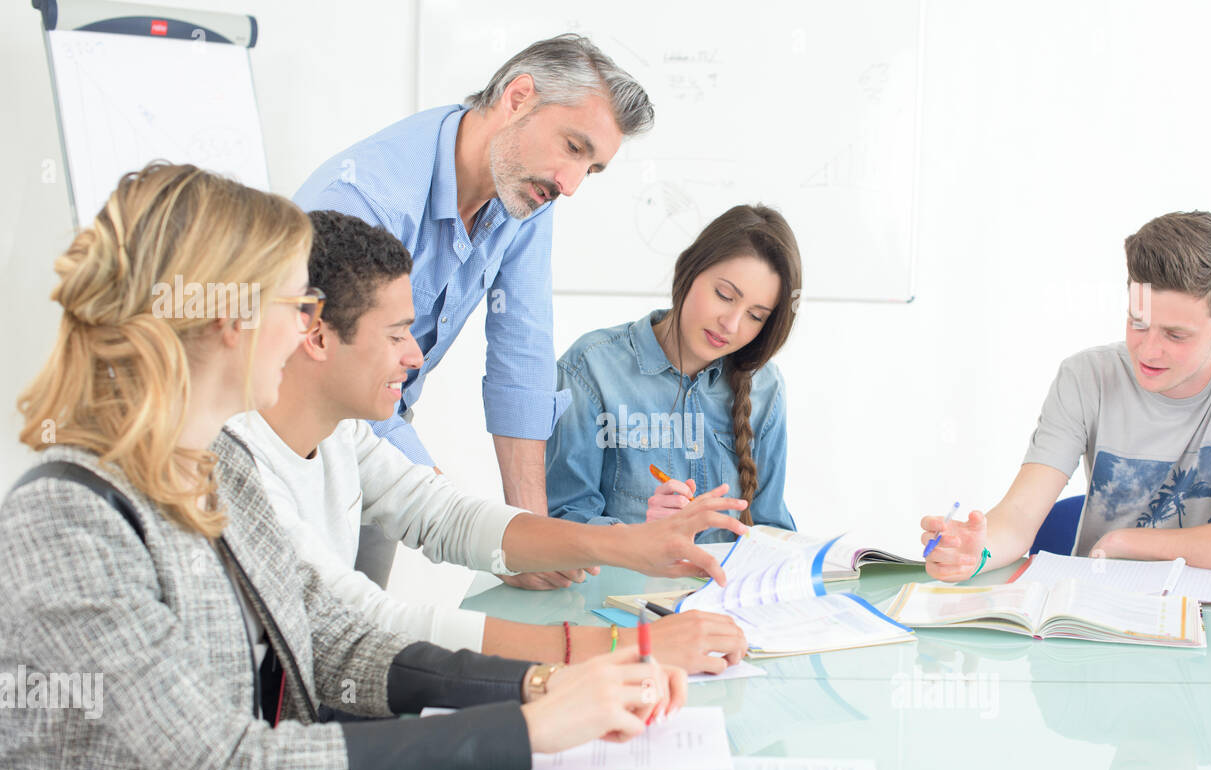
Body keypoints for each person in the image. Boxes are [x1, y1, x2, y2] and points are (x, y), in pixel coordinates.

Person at [0, 163, 698, 770]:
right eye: (295, 306)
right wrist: (530, 727)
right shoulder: (68, 519)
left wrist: (544, 684)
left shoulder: (217, 470)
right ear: (229, 318)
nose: (307, 330)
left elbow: (339, 644)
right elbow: (228, 768)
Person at [229, 210, 748, 675]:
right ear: (317, 336)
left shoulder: (342, 432)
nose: (415, 356)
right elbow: (370, 621)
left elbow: (444, 515)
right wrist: (631, 644)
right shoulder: (236, 465)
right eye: (395, 336)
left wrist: (623, 545)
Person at [295, 34, 653, 591]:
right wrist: (485, 536)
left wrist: (531, 535)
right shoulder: (368, 200)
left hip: (386, 411)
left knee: (362, 631)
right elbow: (337, 376)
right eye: (573, 147)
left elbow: (522, 356)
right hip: (305, 430)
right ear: (518, 98)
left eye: (593, 167)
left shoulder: (527, 192)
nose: (572, 184)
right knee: (312, 630)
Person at [920, 210, 1211, 581]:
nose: (1148, 351)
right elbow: (1019, 516)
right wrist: (978, 550)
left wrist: (1129, 542)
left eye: (1175, 335)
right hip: (1097, 615)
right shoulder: (1085, 377)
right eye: (1138, 323)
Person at [546, 204, 801, 543]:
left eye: (756, 316)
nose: (732, 325)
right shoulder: (592, 369)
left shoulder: (765, 388)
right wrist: (640, 537)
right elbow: (563, 520)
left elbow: (770, 527)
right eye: (724, 295)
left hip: (724, 593)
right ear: (690, 270)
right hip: (619, 592)